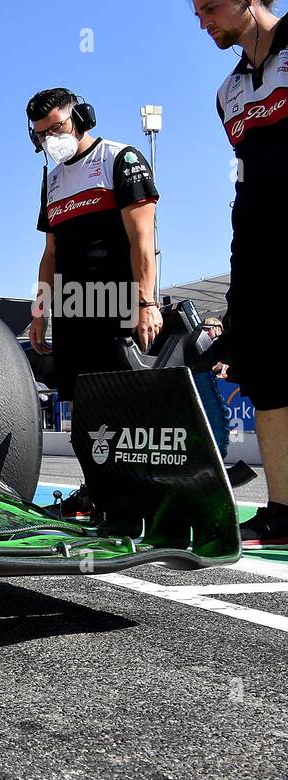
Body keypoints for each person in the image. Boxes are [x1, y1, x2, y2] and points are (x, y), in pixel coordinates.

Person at [25, 88, 160, 518]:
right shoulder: (50, 179)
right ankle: (96, 491)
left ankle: (139, 496)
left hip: (116, 300)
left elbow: (143, 239)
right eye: (41, 134)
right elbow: (50, 253)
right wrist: (40, 313)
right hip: (69, 306)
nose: (50, 139)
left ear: (80, 118)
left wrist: (146, 302)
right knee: (83, 410)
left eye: (57, 128)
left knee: (123, 404)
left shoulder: (121, 158)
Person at [198, 0, 288, 545]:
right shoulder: (226, 92)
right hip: (260, 249)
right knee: (272, 382)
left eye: (210, 7)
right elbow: (245, 184)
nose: (203, 21)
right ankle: (283, 511)